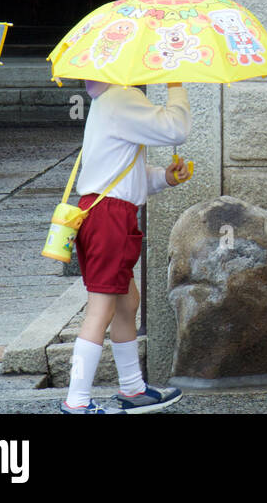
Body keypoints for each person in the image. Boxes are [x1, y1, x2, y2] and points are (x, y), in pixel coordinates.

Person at [61, 80, 193, 414]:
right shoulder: (122, 97)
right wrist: (176, 85)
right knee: (101, 308)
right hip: (110, 218)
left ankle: (133, 389)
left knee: (126, 301)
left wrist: (165, 177)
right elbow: (176, 129)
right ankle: (77, 399)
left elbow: (123, 171)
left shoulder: (106, 101)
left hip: (102, 213)